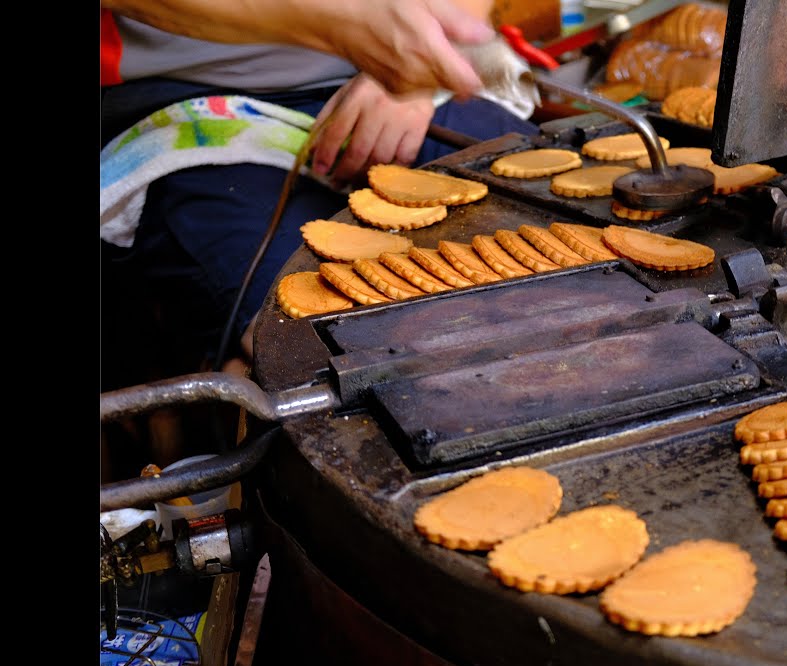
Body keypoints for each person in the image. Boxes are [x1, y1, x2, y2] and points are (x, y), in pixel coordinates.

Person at [100, 0, 540, 397]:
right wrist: (342, 22)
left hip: (393, 82)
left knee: (547, 225)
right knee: (305, 345)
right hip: (190, 100)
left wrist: (422, 60)